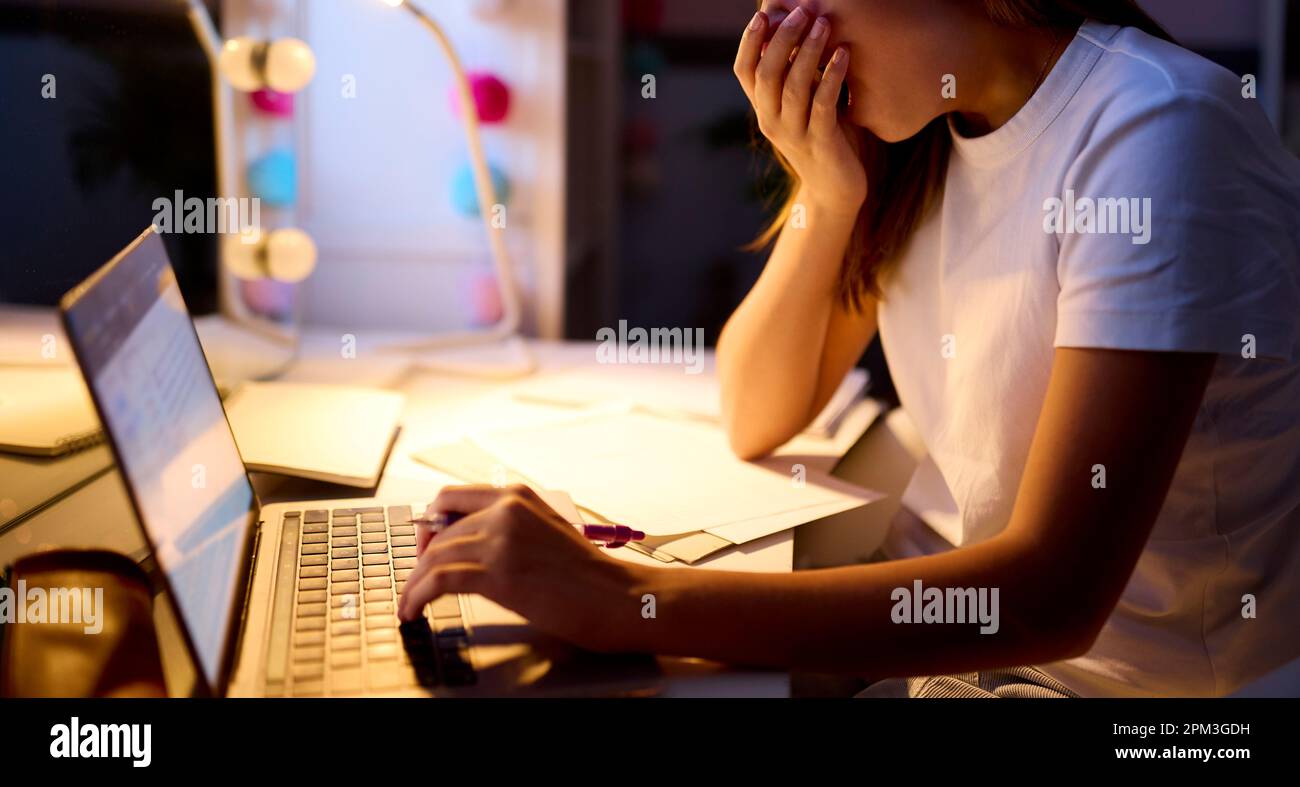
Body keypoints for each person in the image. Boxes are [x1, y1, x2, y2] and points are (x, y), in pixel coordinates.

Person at [399, 0, 1300, 697]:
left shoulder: (1155, 130)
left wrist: (629, 599)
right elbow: (756, 410)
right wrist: (830, 199)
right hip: (990, 649)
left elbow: (1050, 596)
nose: (776, 27)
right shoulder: (934, 140)